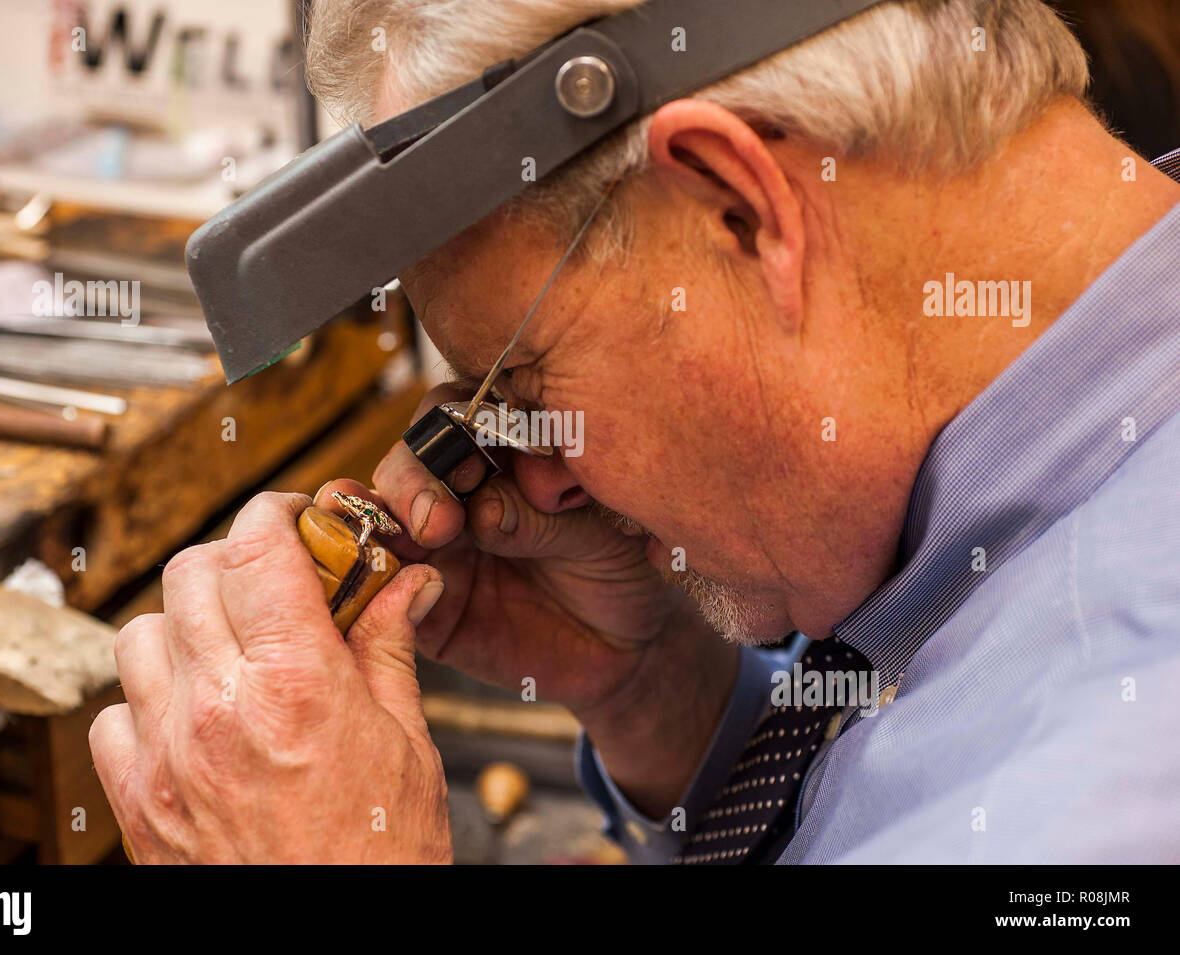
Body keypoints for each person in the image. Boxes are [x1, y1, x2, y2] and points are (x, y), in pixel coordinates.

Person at [91, 0, 1180, 863]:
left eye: (522, 377)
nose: (542, 483)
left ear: (736, 210)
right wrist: (670, 701)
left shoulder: (1097, 797)